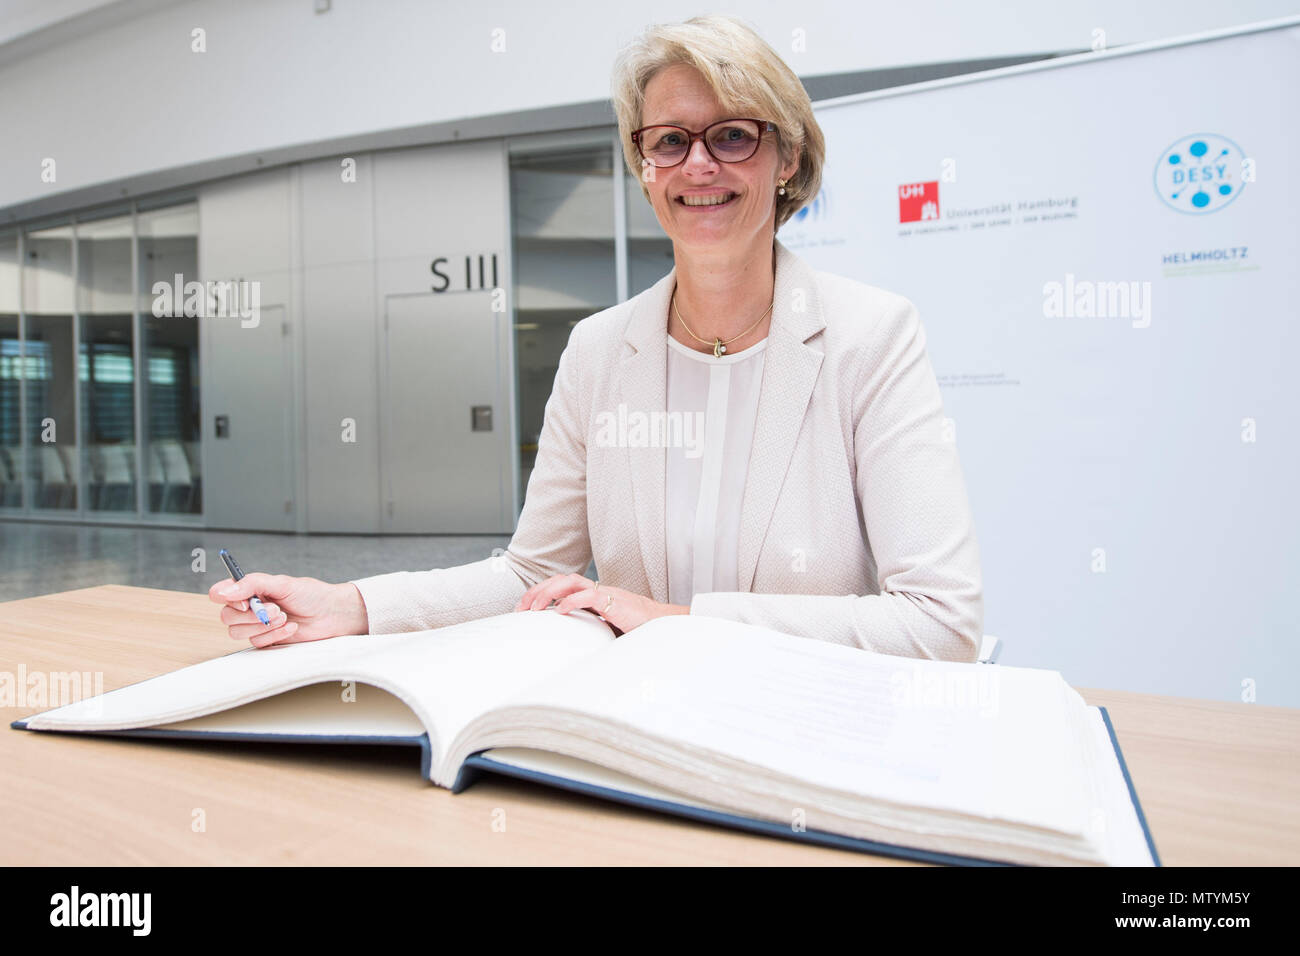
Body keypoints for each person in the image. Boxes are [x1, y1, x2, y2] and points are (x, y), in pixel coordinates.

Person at [210, 14, 983, 662]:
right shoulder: (598, 351)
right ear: (644, 167)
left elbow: (938, 622)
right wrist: (348, 605)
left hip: (798, 733)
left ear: (787, 158)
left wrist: (677, 624)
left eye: (734, 135)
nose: (699, 164)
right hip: (628, 726)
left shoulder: (871, 338)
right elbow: (529, 573)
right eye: (669, 141)